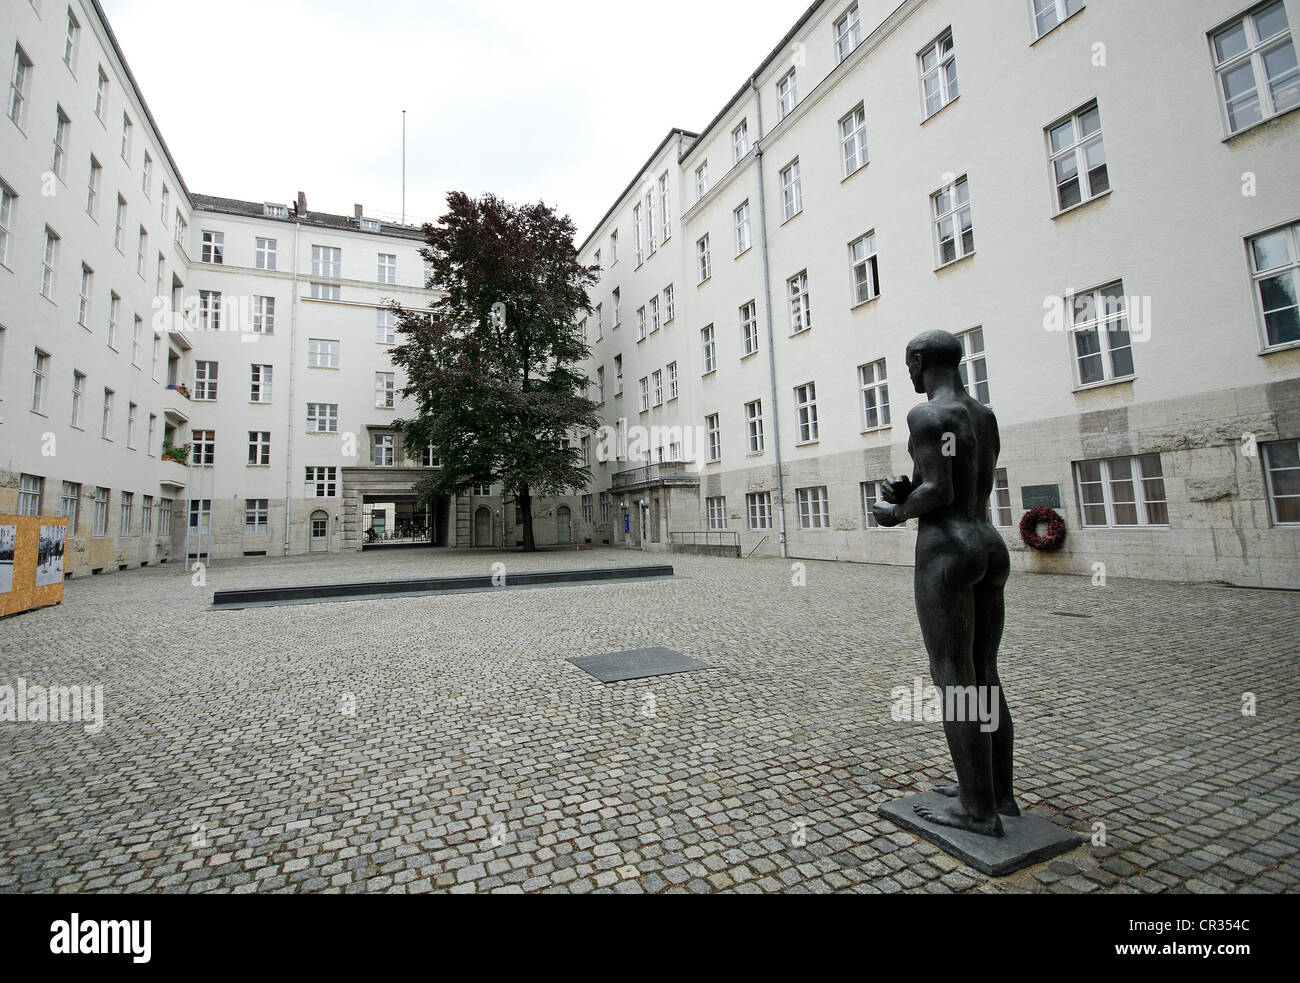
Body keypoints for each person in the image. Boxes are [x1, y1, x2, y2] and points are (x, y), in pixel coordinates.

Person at [873, 330, 1017, 838]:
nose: (907, 375)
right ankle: (997, 791)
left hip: (947, 551)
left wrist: (894, 511)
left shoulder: (928, 414)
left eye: (906, 365)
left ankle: (977, 811)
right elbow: (961, 481)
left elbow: (940, 488)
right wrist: (911, 488)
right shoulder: (983, 414)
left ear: (916, 361)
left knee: (954, 677)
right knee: (984, 671)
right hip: (986, 541)